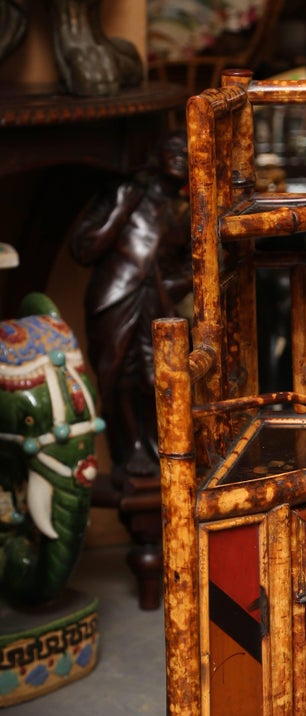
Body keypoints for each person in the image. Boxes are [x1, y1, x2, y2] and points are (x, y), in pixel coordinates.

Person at [70, 134, 191, 477]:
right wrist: (121, 208)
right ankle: (128, 452)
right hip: (116, 297)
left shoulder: (184, 211)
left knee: (156, 379)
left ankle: (157, 452)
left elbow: (188, 268)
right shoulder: (124, 193)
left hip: (158, 302)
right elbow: (82, 249)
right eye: (174, 149)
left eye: (188, 152)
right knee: (114, 375)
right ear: (157, 154)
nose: (181, 157)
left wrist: (174, 285)